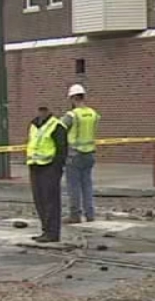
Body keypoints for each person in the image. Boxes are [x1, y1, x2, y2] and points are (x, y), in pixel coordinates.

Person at [27, 105, 68, 243]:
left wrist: (57, 168)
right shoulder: (34, 125)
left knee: (50, 201)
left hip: (49, 168)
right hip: (35, 166)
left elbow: (62, 149)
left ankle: (52, 233)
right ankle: (45, 230)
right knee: (40, 201)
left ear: (49, 111)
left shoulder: (57, 126)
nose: (41, 112)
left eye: (44, 109)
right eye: (40, 109)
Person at [62, 83, 100, 224]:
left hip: (74, 155)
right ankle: (90, 214)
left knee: (74, 187)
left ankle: (75, 215)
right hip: (89, 153)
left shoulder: (72, 115)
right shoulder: (93, 113)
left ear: (72, 98)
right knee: (87, 185)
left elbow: (60, 130)